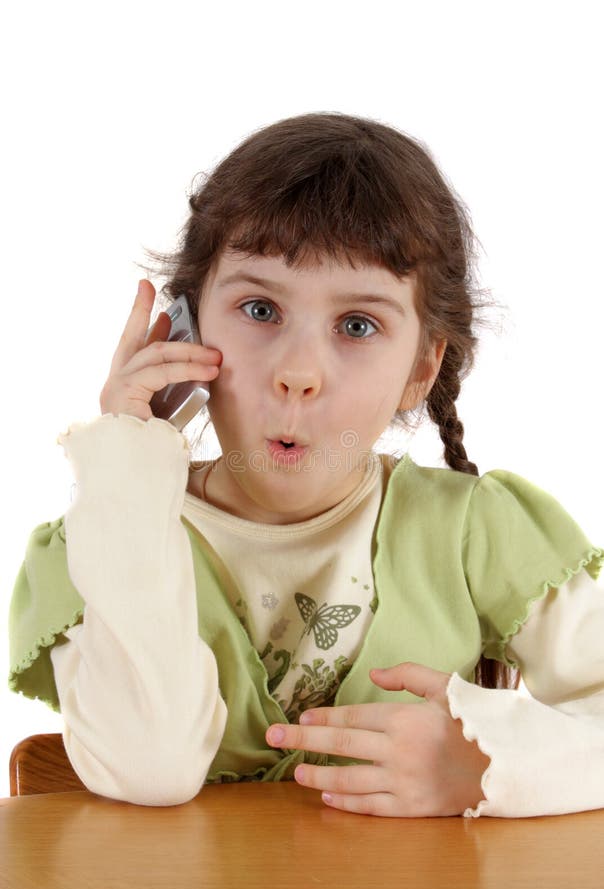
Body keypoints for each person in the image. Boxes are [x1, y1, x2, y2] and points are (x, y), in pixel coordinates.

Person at [8, 112, 604, 817]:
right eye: (259, 308)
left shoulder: (477, 532)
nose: (298, 373)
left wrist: (483, 767)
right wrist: (127, 463)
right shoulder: (107, 540)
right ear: (186, 328)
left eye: (357, 325)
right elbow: (151, 767)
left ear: (422, 367)